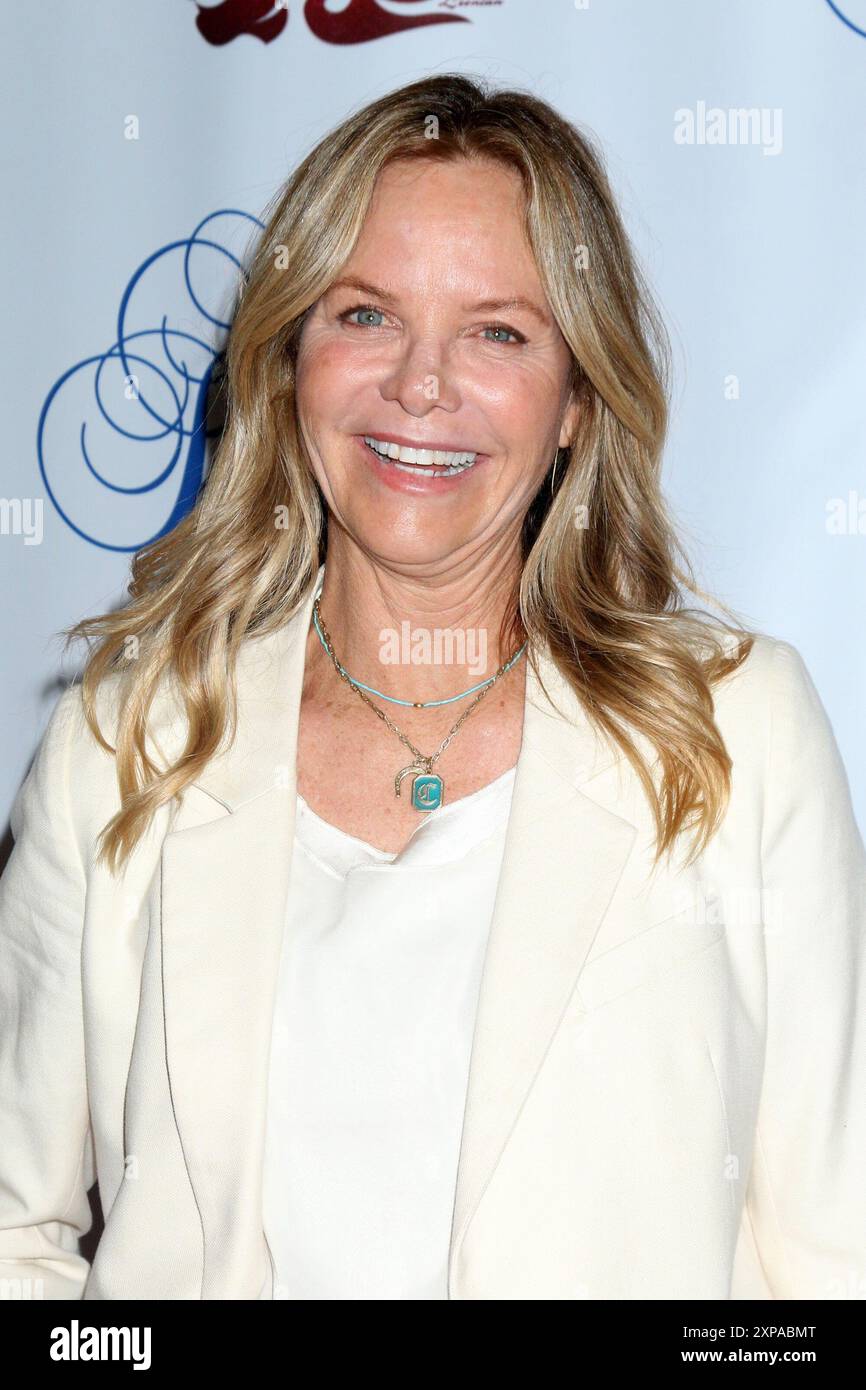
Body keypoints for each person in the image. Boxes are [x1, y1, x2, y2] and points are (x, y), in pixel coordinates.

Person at [1, 73, 864, 1301]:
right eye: (364, 315)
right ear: (289, 353)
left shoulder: (735, 732)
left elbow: (833, 1265)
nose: (419, 383)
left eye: (496, 331)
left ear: (575, 399)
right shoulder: (126, 741)